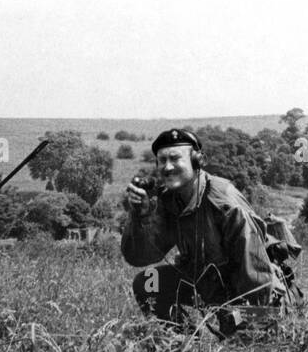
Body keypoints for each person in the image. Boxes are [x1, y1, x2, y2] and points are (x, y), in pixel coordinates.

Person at [121, 128, 286, 330]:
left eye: (175, 158)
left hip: (254, 295)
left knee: (235, 330)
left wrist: (242, 321)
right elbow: (141, 257)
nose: (167, 167)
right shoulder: (170, 199)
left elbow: (257, 280)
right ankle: (179, 346)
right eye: (162, 160)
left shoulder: (225, 203)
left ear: (197, 161)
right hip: (208, 286)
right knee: (147, 283)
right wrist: (141, 215)